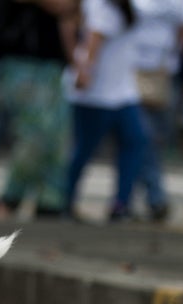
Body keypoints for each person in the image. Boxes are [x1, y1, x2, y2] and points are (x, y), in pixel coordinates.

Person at [0, 0, 79, 220]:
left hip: (52, 63)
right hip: (22, 62)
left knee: (57, 136)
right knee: (35, 133)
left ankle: (50, 200)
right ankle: (10, 196)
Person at [64, 0, 146, 222]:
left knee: (135, 141)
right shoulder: (101, 7)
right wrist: (84, 72)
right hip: (97, 95)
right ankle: (65, 198)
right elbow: (93, 39)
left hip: (122, 92)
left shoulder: (124, 7)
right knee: (84, 148)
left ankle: (121, 203)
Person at [130, 0, 183, 222]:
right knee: (141, 135)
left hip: (164, 75)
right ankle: (154, 196)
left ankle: (129, 196)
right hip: (129, 72)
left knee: (155, 138)